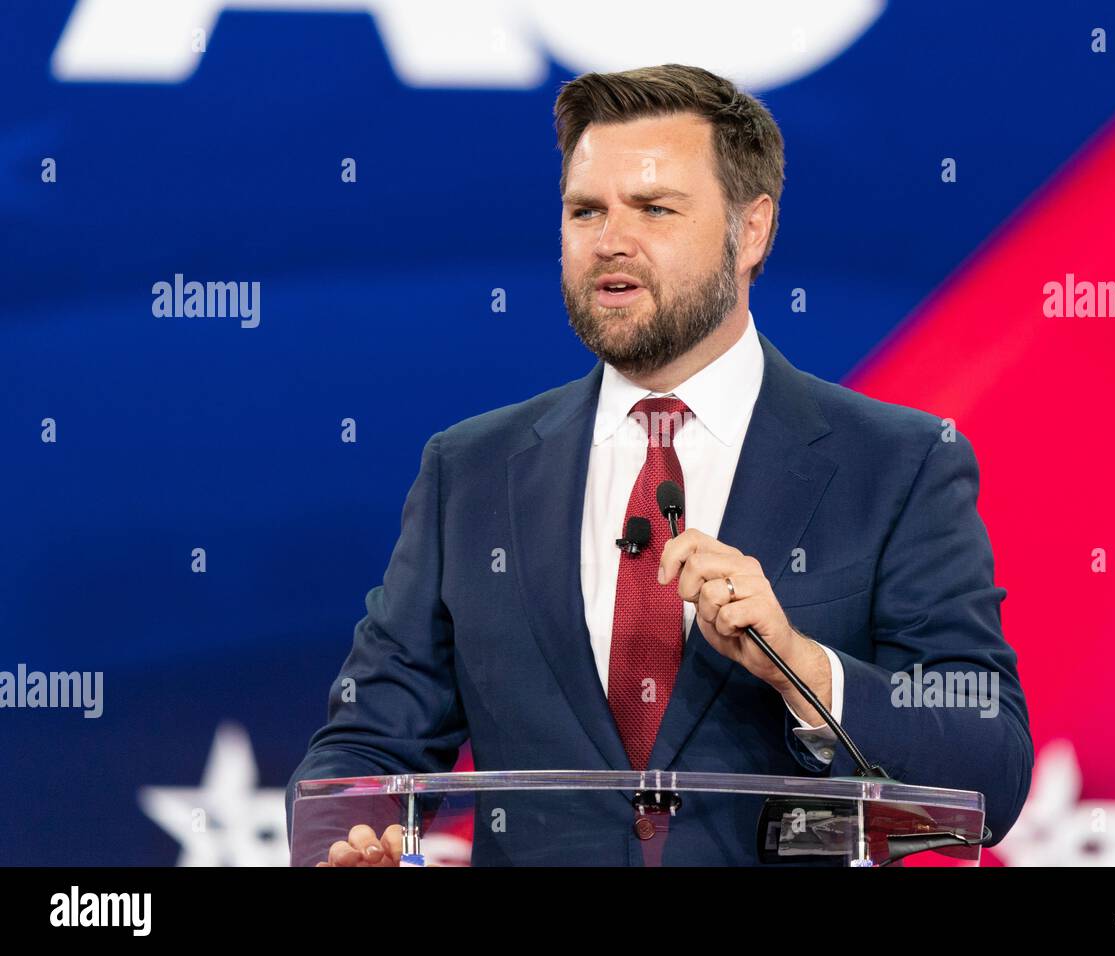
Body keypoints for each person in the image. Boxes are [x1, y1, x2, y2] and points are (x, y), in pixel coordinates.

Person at [287, 63, 1032, 866]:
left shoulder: (898, 466)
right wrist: (347, 839)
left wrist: (803, 669)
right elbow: (367, 745)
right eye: (586, 211)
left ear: (752, 231)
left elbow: (987, 764)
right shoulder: (468, 473)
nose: (610, 240)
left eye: (654, 208)